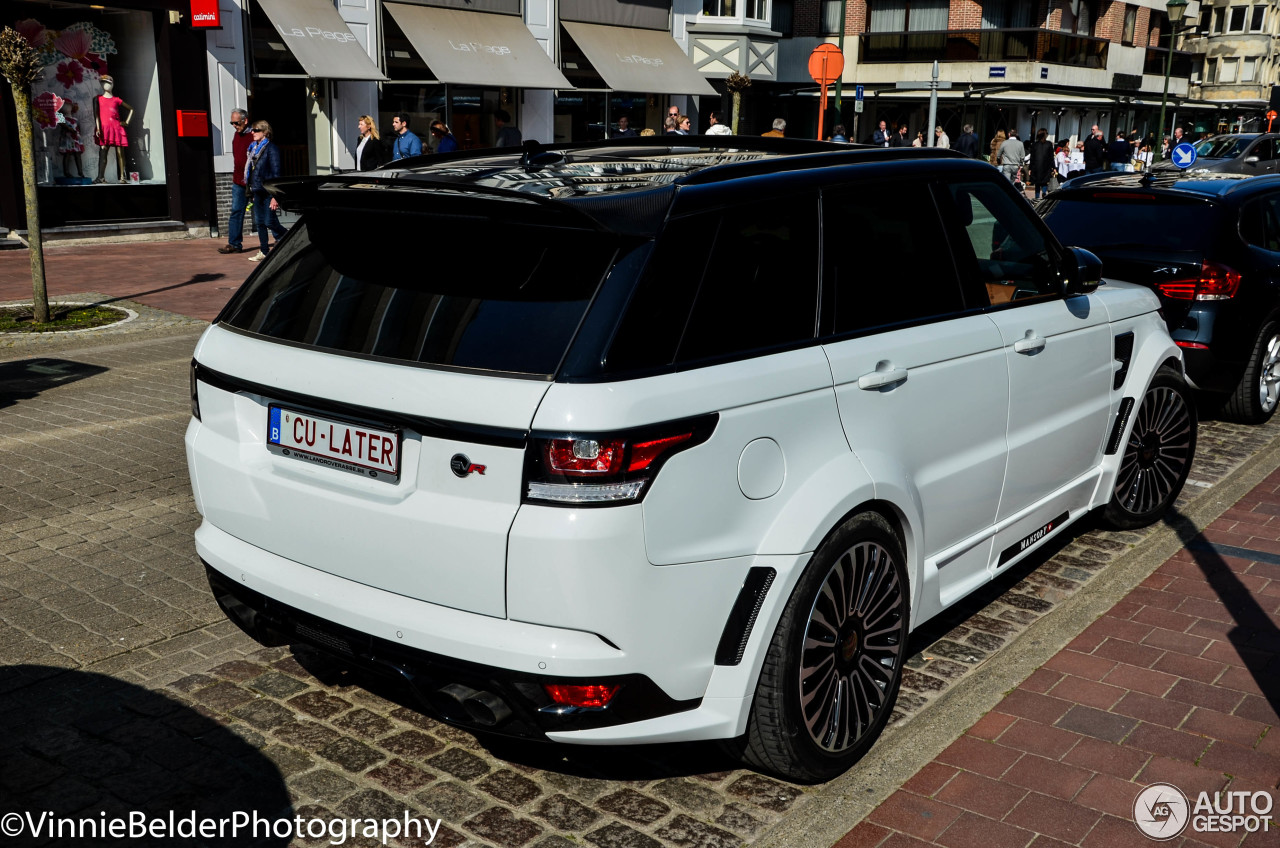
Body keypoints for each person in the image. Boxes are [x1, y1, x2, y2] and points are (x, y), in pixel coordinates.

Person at [245, 120, 287, 262]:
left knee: (269, 221)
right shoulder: (253, 149)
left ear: (265, 132)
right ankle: (264, 251)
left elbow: (276, 173)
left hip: (269, 191)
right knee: (260, 223)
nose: (253, 132)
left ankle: (289, 237)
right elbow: (252, 172)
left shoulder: (271, 149)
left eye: (256, 130)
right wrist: (252, 190)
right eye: (252, 130)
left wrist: (275, 196)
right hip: (257, 190)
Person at [218, 107, 254, 254]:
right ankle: (234, 244)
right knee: (236, 212)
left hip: (253, 181)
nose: (234, 126)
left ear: (245, 121)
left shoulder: (253, 135)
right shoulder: (236, 135)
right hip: (238, 181)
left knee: (264, 214)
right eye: (231, 123)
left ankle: (280, 236)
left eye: (236, 123)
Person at [93, 74, 133, 183]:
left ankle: (122, 177)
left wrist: (126, 122)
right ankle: (101, 177)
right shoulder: (97, 99)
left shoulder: (116, 99)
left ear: (113, 84)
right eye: (103, 83)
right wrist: (98, 128)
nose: (105, 85)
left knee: (120, 154)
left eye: (108, 83)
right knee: (103, 153)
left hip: (117, 128)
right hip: (104, 129)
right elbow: (96, 115)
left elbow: (131, 109)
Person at [56, 99, 85, 179]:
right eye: (64, 106)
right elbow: (62, 124)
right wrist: (69, 129)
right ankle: (67, 172)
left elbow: (79, 129)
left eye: (68, 106)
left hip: (75, 139)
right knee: (67, 155)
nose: (66, 107)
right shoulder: (61, 118)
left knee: (77, 155)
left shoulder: (75, 120)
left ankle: (80, 172)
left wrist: (79, 138)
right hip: (67, 139)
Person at [1028, 128, 1055, 200]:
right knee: (1045, 181)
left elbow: (1032, 157)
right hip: (1046, 165)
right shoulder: (1049, 144)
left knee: (1037, 182)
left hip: (1036, 165)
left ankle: (1037, 196)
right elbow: (1051, 157)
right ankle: (1044, 192)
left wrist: (1030, 168)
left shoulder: (1035, 144)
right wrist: (1054, 167)